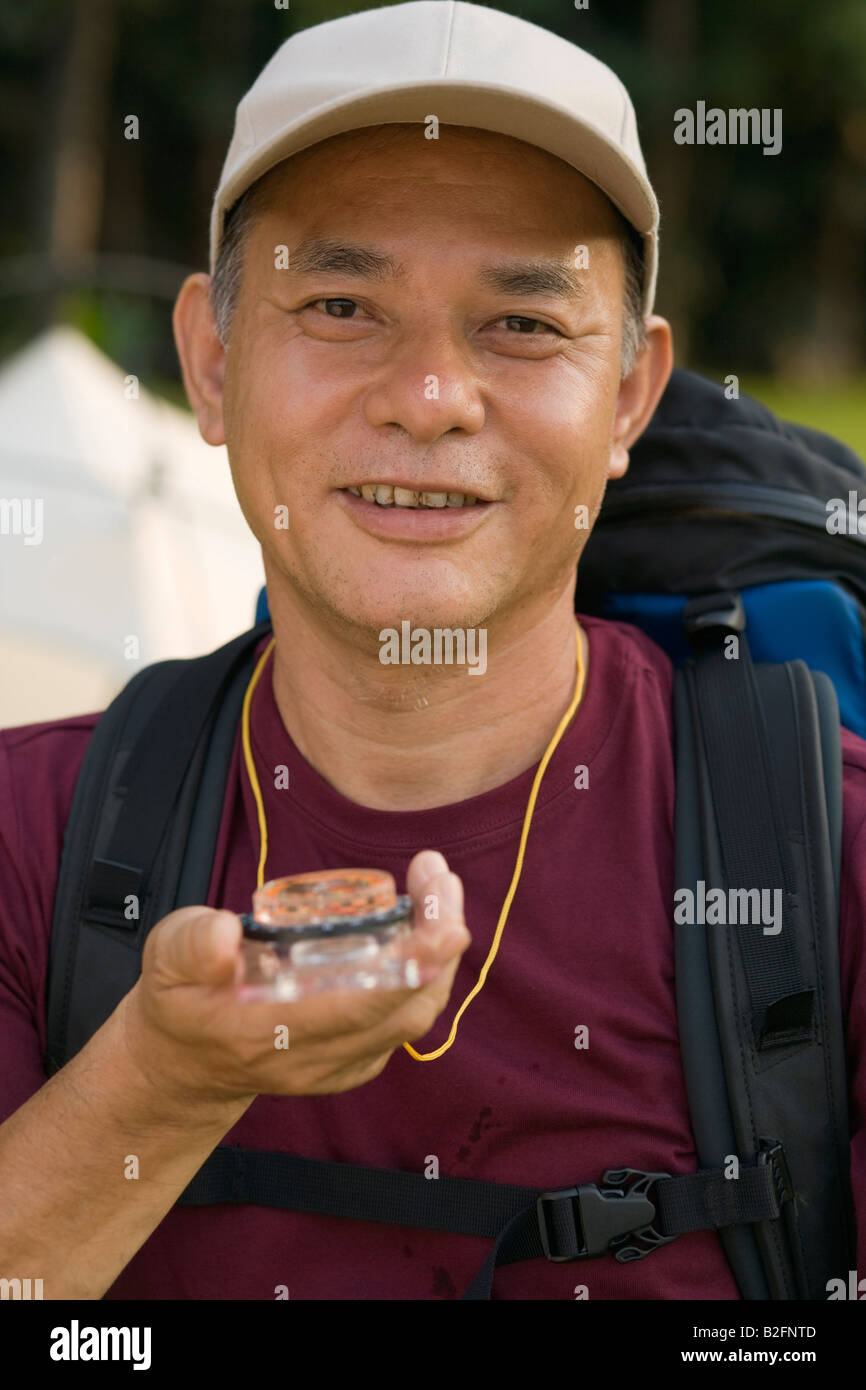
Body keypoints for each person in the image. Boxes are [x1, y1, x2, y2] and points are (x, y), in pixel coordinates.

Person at [1, 0, 864, 1301]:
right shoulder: (26, 837)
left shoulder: (831, 858)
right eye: (341, 302)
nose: (426, 397)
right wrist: (159, 1080)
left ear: (629, 392)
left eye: (520, 323)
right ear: (212, 360)